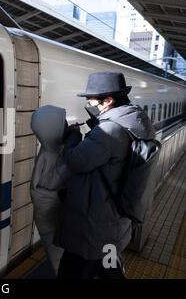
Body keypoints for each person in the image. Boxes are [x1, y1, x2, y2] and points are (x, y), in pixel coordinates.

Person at [55, 71, 155, 279]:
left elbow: (76, 161)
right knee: (108, 263)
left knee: (74, 268)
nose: (90, 104)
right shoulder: (133, 120)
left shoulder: (109, 130)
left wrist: (73, 136)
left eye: (92, 101)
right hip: (114, 216)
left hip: (95, 220)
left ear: (108, 101)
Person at [30, 105, 68, 275]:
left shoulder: (50, 148)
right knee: (59, 261)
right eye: (63, 124)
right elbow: (63, 178)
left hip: (50, 221)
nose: (67, 125)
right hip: (50, 224)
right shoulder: (51, 158)